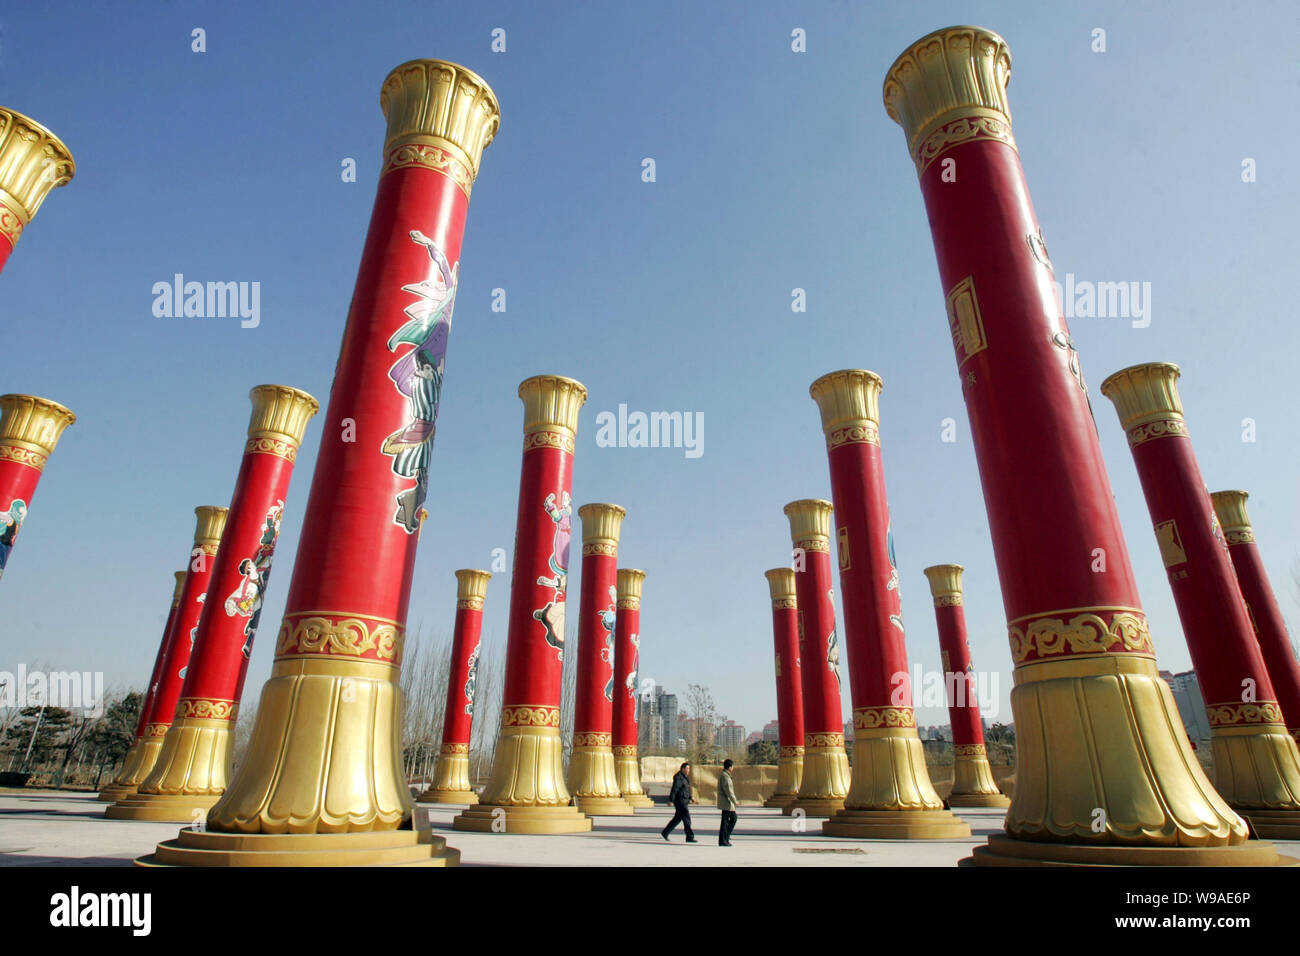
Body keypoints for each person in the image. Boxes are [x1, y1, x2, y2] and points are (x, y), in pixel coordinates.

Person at [661, 762, 696, 843]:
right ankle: (689, 836)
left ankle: (665, 832)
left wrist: (690, 797)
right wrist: (671, 800)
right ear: (682, 769)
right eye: (687, 768)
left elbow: (685, 790)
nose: (688, 770)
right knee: (687, 819)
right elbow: (675, 789)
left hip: (684, 800)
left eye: (689, 769)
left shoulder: (684, 778)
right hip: (680, 802)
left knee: (677, 819)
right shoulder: (679, 778)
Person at [717, 758, 738, 846]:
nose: (733, 768)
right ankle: (724, 839)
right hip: (727, 803)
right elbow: (729, 790)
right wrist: (735, 801)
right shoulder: (725, 776)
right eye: (732, 766)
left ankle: (724, 838)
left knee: (728, 820)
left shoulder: (726, 775)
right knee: (730, 820)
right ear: (729, 767)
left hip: (727, 803)